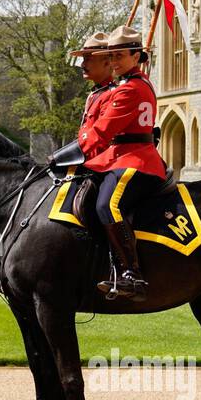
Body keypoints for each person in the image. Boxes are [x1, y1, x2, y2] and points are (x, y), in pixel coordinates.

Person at [78, 25, 168, 302]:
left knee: (109, 205)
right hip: (118, 157)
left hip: (136, 160)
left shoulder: (130, 89)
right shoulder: (127, 85)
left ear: (136, 55)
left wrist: (66, 155)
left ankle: (132, 274)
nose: (114, 61)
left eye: (119, 56)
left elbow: (101, 133)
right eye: (112, 56)